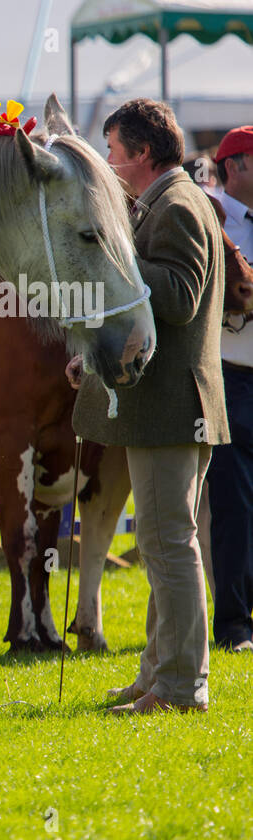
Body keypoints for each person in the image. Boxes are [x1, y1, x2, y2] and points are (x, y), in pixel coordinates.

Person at [67, 98, 229, 714]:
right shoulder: (169, 201)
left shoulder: (178, 205)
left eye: (112, 151)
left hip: (170, 407)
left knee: (167, 546)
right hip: (170, 405)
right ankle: (160, 676)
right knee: (168, 545)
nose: (108, 162)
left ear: (140, 154)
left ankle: (182, 687)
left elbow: (181, 297)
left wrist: (115, 253)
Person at [207, 126, 253, 653]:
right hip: (230, 374)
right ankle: (235, 625)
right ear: (234, 167)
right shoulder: (211, 220)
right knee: (235, 507)